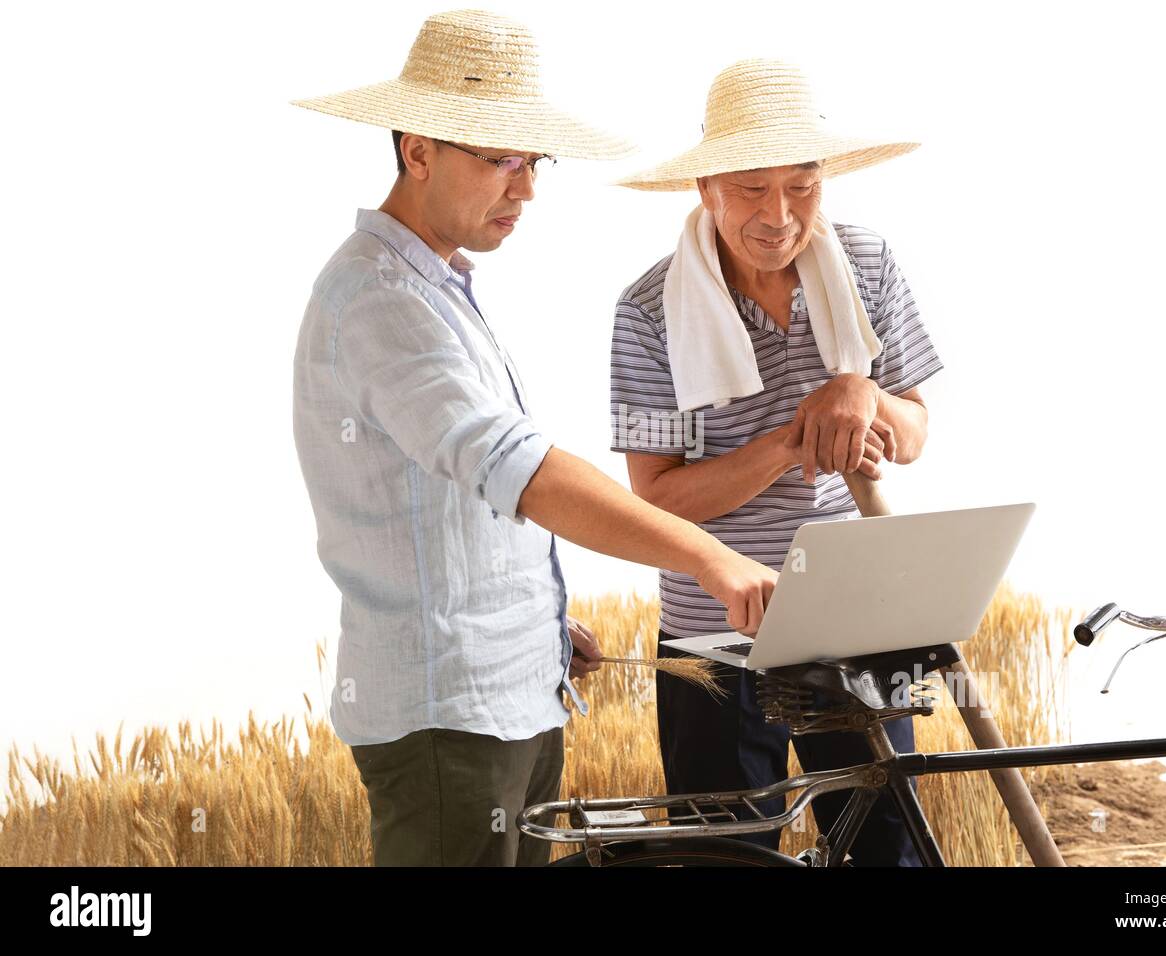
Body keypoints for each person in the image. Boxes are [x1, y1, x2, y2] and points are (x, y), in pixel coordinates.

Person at [289, 10, 777, 867]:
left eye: (531, 161)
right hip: (450, 722)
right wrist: (706, 555)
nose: (525, 190)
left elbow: (456, 506)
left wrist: (538, 619)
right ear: (417, 150)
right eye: (498, 160)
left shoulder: (435, 285)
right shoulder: (380, 300)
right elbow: (521, 470)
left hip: (505, 701)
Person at [608, 59, 944, 865]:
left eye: (801, 186)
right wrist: (790, 443)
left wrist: (862, 392)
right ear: (705, 189)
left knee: (888, 849)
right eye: (751, 189)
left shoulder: (866, 264)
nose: (779, 214)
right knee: (728, 855)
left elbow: (915, 430)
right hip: (715, 637)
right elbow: (656, 499)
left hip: (856, 615)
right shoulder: (647, 310)